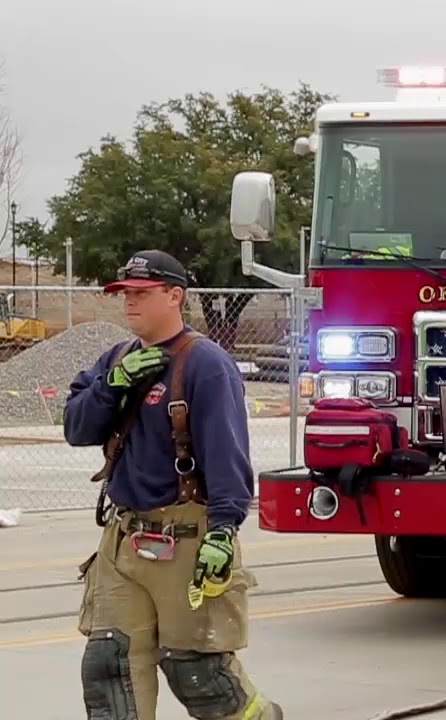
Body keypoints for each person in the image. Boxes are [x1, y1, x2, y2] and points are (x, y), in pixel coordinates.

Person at [64, 249, 282, 719]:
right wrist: (112, 386)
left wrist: (223, 531)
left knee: (196, 672)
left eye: (141, 294)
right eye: (125, 294)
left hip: (188, 540)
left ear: (175, 296)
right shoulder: (115, 360)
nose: (129, 303)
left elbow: (227, 454)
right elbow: (76, 428)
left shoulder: (206, 365)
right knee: (110, 668)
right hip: (124, 544)